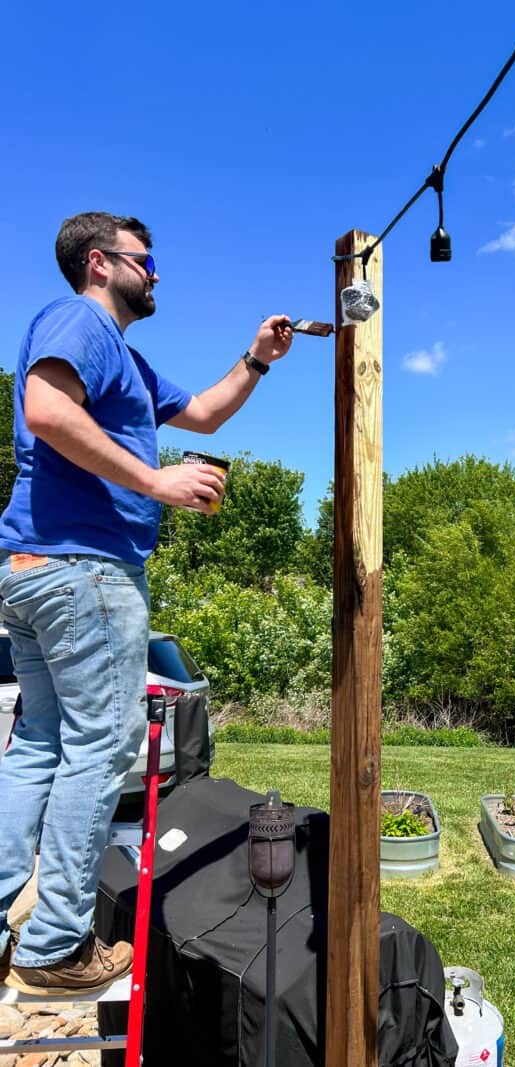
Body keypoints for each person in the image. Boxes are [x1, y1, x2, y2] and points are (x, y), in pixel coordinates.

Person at [0, 212, 292, 995]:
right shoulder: (81, 322)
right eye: (145, 260)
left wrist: (256, 360)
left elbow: (202, 413)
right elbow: (46, 410)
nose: (157, 273)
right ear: (101, 263)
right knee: (102, 745)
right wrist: (157, 481)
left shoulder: (126, 360)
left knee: (39, 747)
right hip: (85, 570)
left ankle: (4, 927)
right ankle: (55, 945)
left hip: (36, 570)